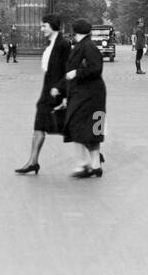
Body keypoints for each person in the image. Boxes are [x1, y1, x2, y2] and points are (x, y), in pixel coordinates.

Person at [15, 14, 72, 175]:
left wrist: (62, 90)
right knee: (39, 125)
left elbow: (68, 70)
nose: (41, 29)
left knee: (71, 126)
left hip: (57, 92)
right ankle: (33, 162)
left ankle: (94, 153)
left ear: (52, 26)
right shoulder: (52, 43)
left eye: (43, 26)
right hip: (48, 91)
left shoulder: (63, 45)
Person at [62, 18, 106, 178]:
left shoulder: (87, 47)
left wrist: (76, 73)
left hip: (88, 93)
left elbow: (96, 68)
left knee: (77, 126)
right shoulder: (85, 45)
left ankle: (83, 164)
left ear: (76, 32)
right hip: (88, 93)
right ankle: (94, 165)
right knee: (92, 128)